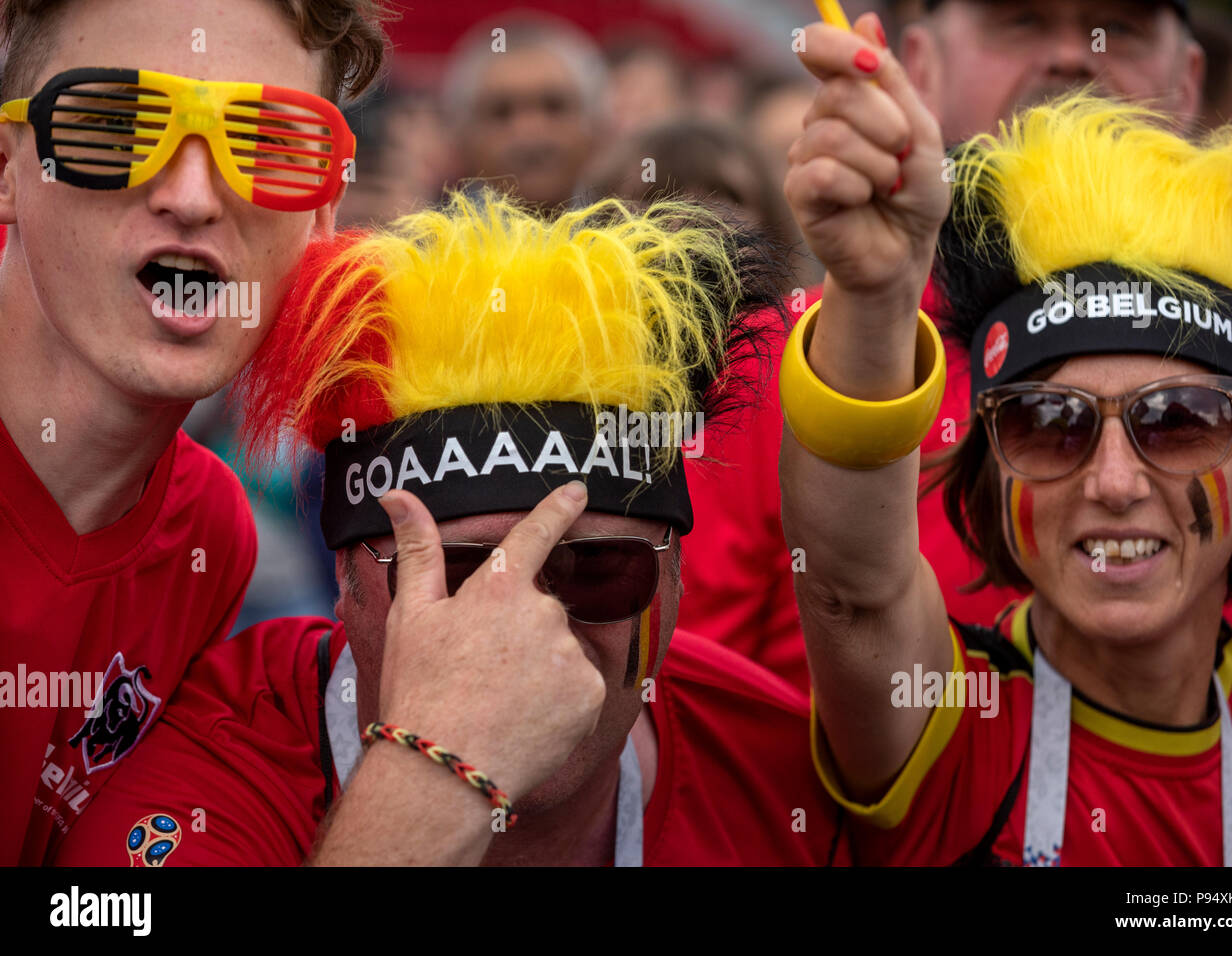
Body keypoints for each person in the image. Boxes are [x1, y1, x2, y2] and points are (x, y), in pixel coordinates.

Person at [54, 192, 850, 866]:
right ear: (347, 582)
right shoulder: (206, 776)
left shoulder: (777, 769)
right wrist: (443, 770)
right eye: (455, 574)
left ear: (674, 582)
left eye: (598, 569)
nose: (521, 630)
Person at [781, 14, 1232, 864]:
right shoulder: (949, 724)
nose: (1116, 482)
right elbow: (852, 591)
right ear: (990, 474)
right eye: (1049, 426)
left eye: (1177, 421)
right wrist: (875, 292)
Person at [678, 1, 1232, 690]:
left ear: (1188, 80)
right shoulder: (787, 357)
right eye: (1021, 21)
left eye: (1117, 26)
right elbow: (693, 725)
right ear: (921, 67)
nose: (1071, 56)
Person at [0, 0, 389, 864]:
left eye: (270, 142)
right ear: (5, 166)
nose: (189, 197)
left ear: (323, 214)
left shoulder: (208, 534)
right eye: (111, 126)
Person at [441, 13, 607, 211]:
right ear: (463, 137)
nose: (529, 132)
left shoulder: (639, 238)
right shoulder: (427, 240)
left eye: (553, 106)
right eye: (501, 112)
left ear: (596, 126)